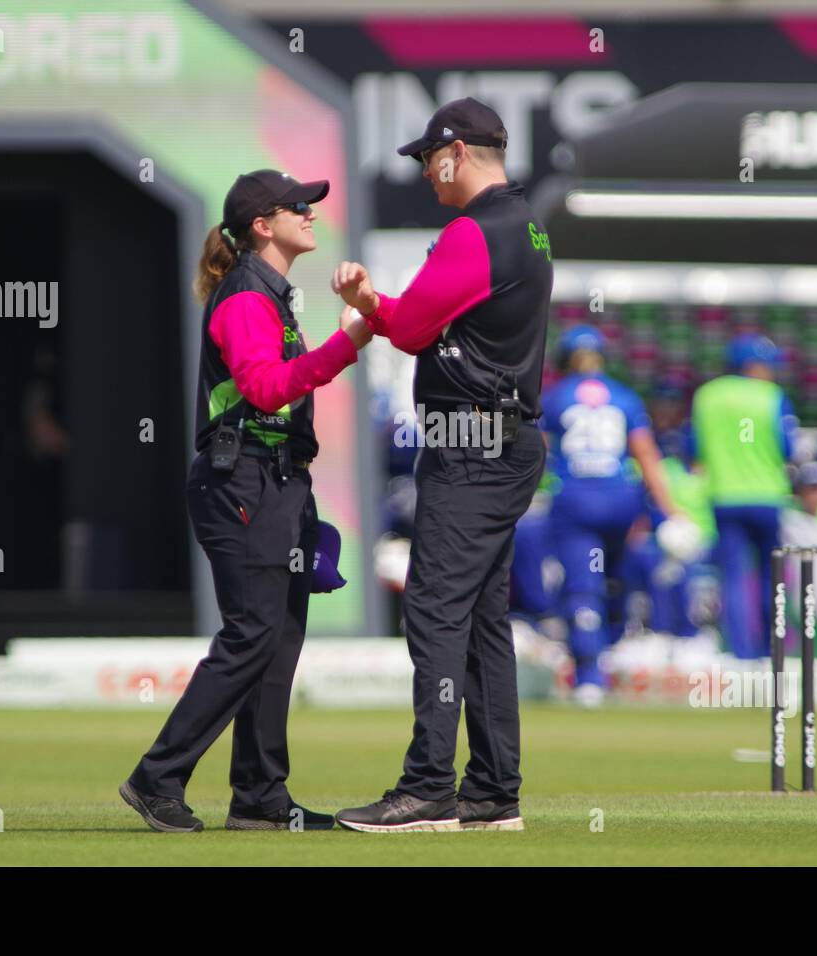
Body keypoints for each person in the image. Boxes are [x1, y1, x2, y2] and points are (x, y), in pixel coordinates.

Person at [120, 170, 372, 833]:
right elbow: (264, 390)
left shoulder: (268, 296)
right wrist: (348, 344)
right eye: (300, 206)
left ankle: (260, 797)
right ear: (264, 224)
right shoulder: (243, 299)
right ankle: (158, 777)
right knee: (253, 634)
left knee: (277, 639)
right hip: (242, 483)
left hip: (275, 481)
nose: (311, 214)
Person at [329, 97, 551, 832]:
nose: (427, 173)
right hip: (502, 439)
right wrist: (384, 305)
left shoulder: (473, 230)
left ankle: (427, 788)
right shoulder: (526, 224)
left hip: (472, 443)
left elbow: (416, 327)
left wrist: (368, 301)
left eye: (430, 158)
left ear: (456, 152)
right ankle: (492, 794)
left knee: (434, 608)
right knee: (482, 619)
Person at [540, 325, 678, 705]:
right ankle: (611, 653)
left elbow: (537, 453)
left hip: (576, 499)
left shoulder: (554, 397)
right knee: (615, 579)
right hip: (621, 499)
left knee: (583, 584)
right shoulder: (625, 397)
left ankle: (589, 674)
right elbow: (646, 454)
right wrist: (669, 508)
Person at [689, 334, 796, 660]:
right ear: (753, 366)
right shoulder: (772, 396)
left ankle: (742, 656)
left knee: (733, 578)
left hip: (724, 498)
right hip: (768, 497)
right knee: (771, 576)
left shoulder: (706, 396)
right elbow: (788, 447)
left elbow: (695, 449)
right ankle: (770, 651)